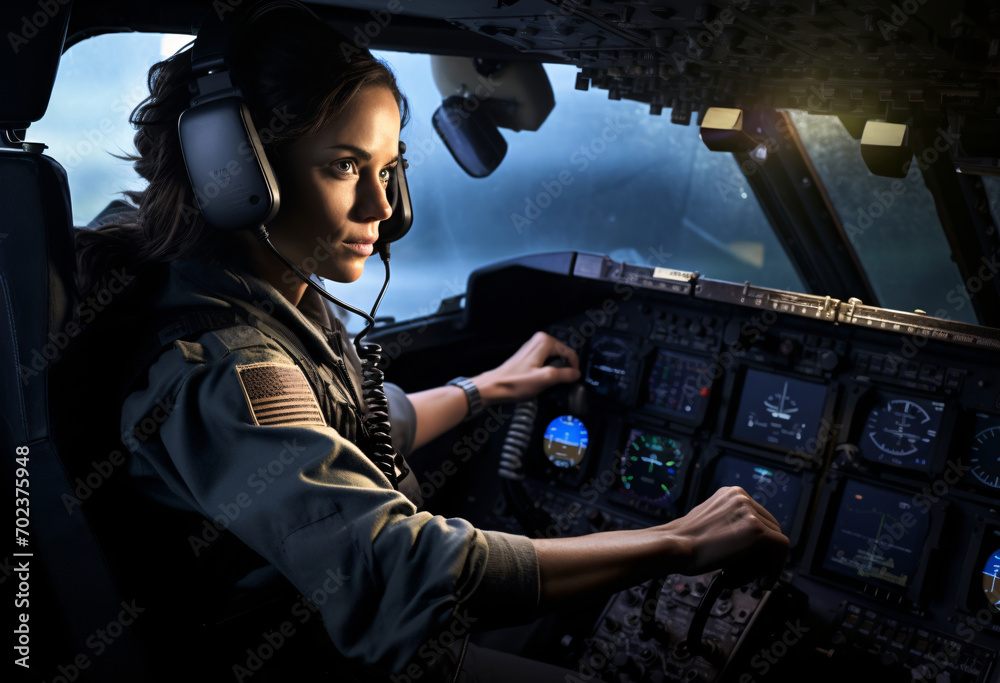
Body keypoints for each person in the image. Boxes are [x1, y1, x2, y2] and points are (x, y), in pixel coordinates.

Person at [74, 3, 789, 681]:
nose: (382, 208)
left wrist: (485, 388)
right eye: (345, 166)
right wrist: (679, 543)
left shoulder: (255, 295)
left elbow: (343, 425)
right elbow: (401, 568)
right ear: (235, 173)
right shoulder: (227, 366)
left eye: (388, 170)